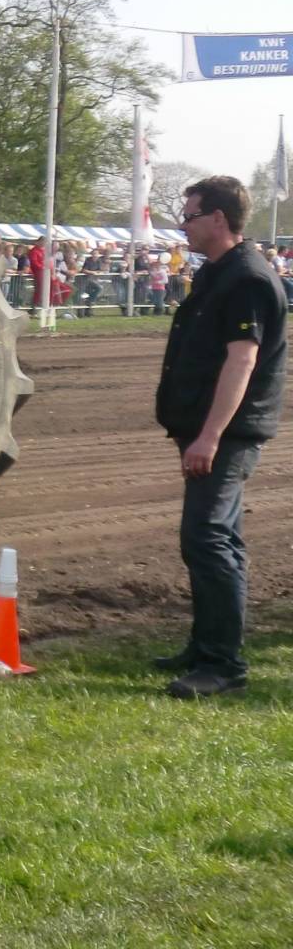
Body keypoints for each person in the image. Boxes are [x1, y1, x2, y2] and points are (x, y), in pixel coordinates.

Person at [153, 176, 287, 699]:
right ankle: (205, 645)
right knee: (216, 539)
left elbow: (242, 361)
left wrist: (210, 436)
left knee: (207, 538)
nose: (182, 224)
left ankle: (221, 664)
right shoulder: (218, 274)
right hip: (206, 430)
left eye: (188, 215)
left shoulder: (246, 279)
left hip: (226, 434)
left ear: (217, 218)